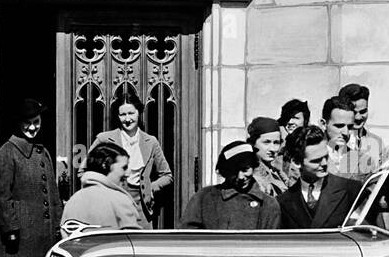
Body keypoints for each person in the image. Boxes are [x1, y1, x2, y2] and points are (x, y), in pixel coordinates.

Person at [0, 100, 61, 257]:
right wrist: (11, 229)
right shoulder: (7, 153)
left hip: (44, 235)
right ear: (18, 124)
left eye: (36, 122)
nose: (33, 127)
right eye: (27, 123)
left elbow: (53, 194)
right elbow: (2, 197)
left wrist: (58, 225)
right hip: (21, 238)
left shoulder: (42, 151)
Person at [92, 91, 171, 227]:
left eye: (131, 113)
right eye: (122, 114)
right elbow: (84, 171)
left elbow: (167, 175)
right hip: (113, 206)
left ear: (138, 113)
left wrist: (150, 188)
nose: (127, 119)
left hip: (142, 208)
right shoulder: (104, 139)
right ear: (117, 116)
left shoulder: (151, 142)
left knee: (142, 246)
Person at [277, 125, 363, 229]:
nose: (324, 163)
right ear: (297, 162)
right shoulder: (282, 202)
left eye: (326, 157)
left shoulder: (353, 191)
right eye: (316, 160)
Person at [182, 141, 282, 230]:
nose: (241, 177)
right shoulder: (205, 198)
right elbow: (189, 238)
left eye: (245, 169)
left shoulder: (268, 204)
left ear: (253, 166)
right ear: (226, 172)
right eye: (234, 171)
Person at [62, 142, 143, 230]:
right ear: (105, 165)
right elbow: (131, 240)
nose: (127, 174)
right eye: (124, 168)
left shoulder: (73, 201)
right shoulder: (120, 200)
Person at [338, 83, 383, 176]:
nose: (358, 118)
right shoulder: (334, 141)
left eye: (363, 111)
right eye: (354, 113)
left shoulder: (377, 142)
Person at [246, 117, 289, 196]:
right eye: (266, 142)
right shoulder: (250, 174)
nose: (272, 149)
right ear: (252, 143)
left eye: (276, 143)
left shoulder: (276, 171)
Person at [321, 95, 360, 177]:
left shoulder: (358, 159)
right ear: (324, 124)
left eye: (349, 127)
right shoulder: (310, 156)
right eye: (339, 126)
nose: (346, 132)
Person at [278, 99, 311, 183]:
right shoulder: (279, 144)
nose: (290, 122)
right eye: (287, 118)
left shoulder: (312, 143)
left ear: (305, 121)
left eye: (295, 118)